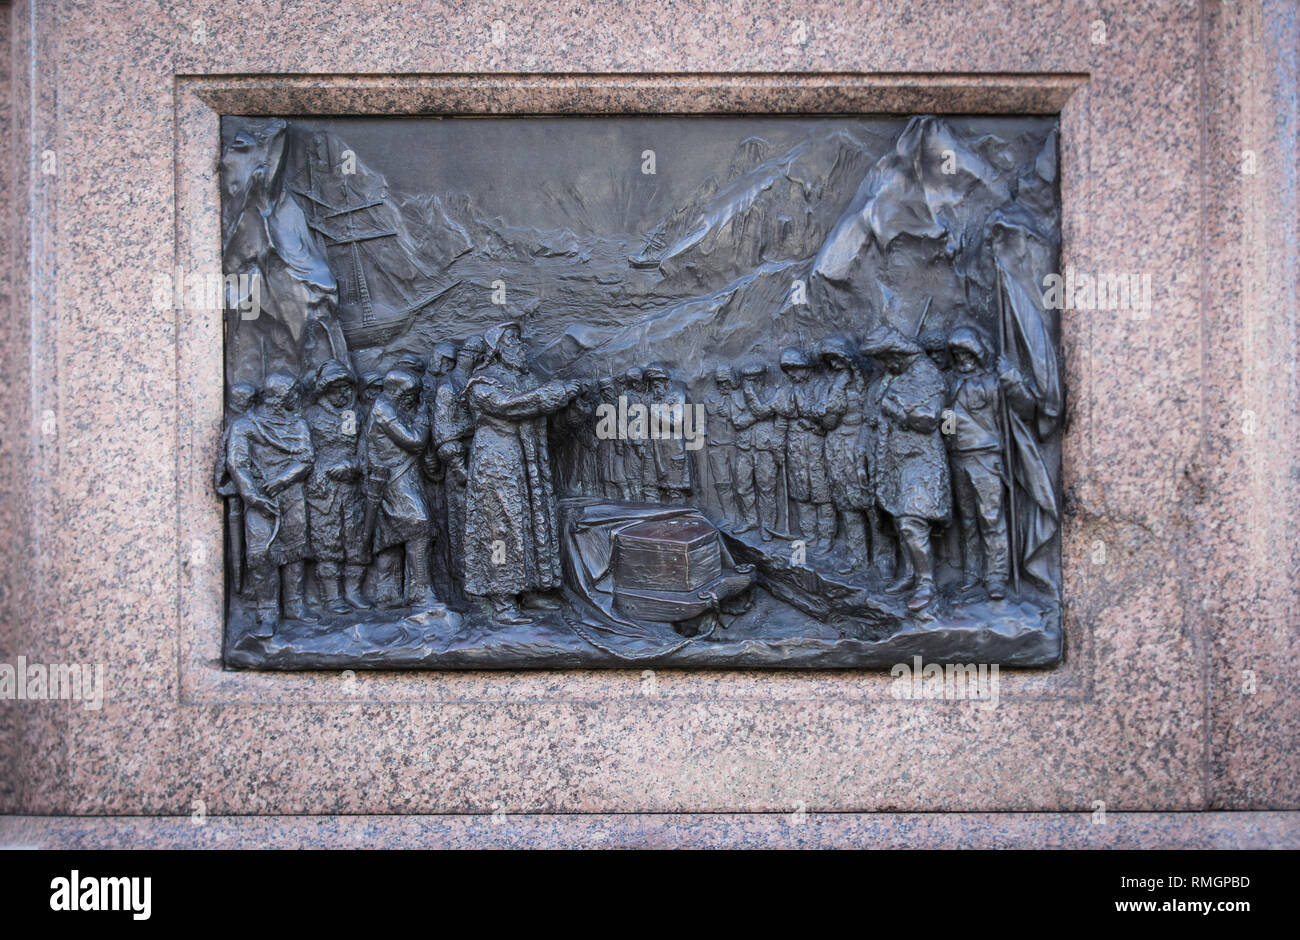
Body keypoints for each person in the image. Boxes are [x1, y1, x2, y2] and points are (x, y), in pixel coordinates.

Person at [463, 323, 587, 625]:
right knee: (501, 527)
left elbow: (547, 425)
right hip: (498, 466)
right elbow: (510, 407)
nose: (521, 349)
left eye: (520, 343)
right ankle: (503, 598)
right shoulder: (482, 383)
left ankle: (531, 589)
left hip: (529, 465)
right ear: (497, 350)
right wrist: (552, 394)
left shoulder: (527, 379)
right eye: (514, 343)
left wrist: (574, 409)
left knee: (532, 523)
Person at [860, 326, 951, 610]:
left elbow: (929, 419)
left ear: (895, 354)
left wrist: (896, 409)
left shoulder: (926, 375)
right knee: (901, 518)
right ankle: (910, 574)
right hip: (895, 458)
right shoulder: (896, 377)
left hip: (920, 458)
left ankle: (926, 583)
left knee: (912, 521)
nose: (883, 366)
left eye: (885, 359)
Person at [945, 326, 1035, 600]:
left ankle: (996, 576)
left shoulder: (994, 381)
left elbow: (1027, 409)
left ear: (977, 352)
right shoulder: (949, 382)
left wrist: (1012, 379)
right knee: (968, 521)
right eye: (957, 352)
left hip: (986, 457)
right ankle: (972, 573)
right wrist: (948, 433)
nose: (962, 358)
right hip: (957, 457)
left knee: (991, 518)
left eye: (966, 351)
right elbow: (946, 421)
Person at [227, 372, 316, 637]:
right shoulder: (244, 426)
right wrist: (253, 496)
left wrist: (281, 480)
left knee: (294, 550)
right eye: (292, 395)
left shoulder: (298, 426)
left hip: (291, 494)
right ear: (279, 399)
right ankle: (267, 612)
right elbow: (237, 463)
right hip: (258, 498)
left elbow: (306, 458)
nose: (296, 399)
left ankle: (295, 605)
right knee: (260, 554)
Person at [360, 369, 438, 609]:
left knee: (391, 535)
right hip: (393, 478)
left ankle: (387, 594)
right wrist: (424, 418)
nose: (412, 399)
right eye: (408, 394)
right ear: (396, 391)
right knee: (418, 524)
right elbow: (414, 441)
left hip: (402, 475)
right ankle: (419, 591)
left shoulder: (395, 407)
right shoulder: (384, 409)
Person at [749, 348, 834, 554]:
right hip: (794, 448)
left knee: (822, 495)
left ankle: (826, 537)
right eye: (789, 371)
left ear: (806, 368)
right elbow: (780, 422)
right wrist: (778, 445)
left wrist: (816, 427)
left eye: (796, 370)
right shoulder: (787, 391)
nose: (793, 375)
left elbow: (831, 418)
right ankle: (809, 535)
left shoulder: (823, 387)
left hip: (817, 446)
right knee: (801, 493)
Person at [304, 361, 369, 613]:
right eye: (336, 389)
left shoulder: (356, 414)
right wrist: (322, 470)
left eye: (345, 388)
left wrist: (353, 465)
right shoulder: (310, 417)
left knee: (355, 539)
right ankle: (331, 597)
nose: (342, 394)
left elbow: (365, 449)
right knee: (327, 540)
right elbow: (301, 452)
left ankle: (353, 591)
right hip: (323, 490)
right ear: (324, 390)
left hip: (352, 488)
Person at [432, 335, 485, 598]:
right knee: (462, 527)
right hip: (460, 468)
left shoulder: (477, 383)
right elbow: (444, 434)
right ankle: (464, 590)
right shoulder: (448, 388)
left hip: (483, 464)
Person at [820, 337, 872, 574]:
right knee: (847, 506)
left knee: (872, 508)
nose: (836, 367)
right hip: (837, 449)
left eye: (839, 361)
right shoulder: (834, 387)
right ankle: (857, 555)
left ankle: (885, 560)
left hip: (862, 448)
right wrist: (838, 389)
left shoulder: (866, 386)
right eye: (831, 363)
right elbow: (829, 419)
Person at [214, 383, 257, 598]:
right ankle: (241, 584)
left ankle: (246, 583)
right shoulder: (238, 426)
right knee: (241, 539)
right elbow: (227, 459)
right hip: (240, 492)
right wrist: (227, 485)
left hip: (252, 489)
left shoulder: (248, 423)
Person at [736, 362, 782, 540]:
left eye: (754, 379)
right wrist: (762, 413)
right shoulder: (737, 396)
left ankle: (767, 526)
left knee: (766, 490)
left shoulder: (775, 393)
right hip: (744, 447)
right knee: (742, 487)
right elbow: (737, 421)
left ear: (762, 378)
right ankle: (750, 520)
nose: (750, 383)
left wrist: (760, 410)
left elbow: (779, 418)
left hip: (765, 448)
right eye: (747, 379)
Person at [645, 364, 692, 503]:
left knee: (675, 490)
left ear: (667, 383)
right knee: (652, 488)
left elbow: (677, 423)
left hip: (672, 449)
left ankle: (678, 521)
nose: (655, 387)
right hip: (654, 450)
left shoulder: (677, 397)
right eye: (653, 384)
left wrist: (656, 412)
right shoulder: (652, 399)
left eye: (658, 383)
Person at [702, 365, 739, 524]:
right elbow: (701, 423)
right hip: (716, 446)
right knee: (722, 483)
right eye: (720, 382)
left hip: (738, 446)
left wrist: (732, 413)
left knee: (741, 483)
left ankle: (746, 519)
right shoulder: (709, 398)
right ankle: (728, 516)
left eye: (727, 382)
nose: (724, 385)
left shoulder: (741, 397)